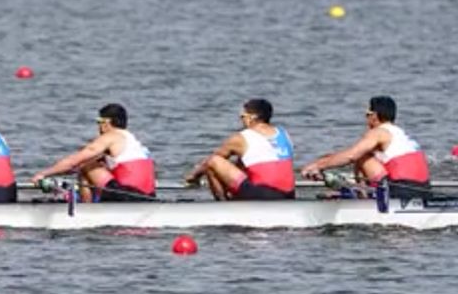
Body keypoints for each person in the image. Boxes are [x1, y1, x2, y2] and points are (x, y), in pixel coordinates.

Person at [300, 96, 431, 199]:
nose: (366, 118)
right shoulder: (400, 134)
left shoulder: (379, 132)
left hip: (402, 190)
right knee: (364, 154)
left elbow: (351, 155)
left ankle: (361, 196)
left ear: (374, 116)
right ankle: (362, 192)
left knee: (361, 155)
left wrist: (317, 165)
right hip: (423, 189)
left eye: (367, 114)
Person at [29, 103, 156, 201]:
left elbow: (74, 162)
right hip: (149, 195)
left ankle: (86, 209)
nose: (98, 127)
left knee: (86, 165)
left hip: (129, 195)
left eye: (99, 122)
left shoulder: (110, 137)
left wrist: (43, 174)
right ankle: (87, 200)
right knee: (94, 164)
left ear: (107, 123)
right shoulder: (131, 140)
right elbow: (72, 168)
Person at [184, 98, 295, 200]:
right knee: (242, 165)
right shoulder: (284, 134)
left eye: (243, 117)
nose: (241, 120)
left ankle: (223, 207)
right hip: (289, 194)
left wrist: (193, 176)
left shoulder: (241, 137)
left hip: (263, 194)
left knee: (213, 162)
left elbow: (210, 161)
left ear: (252, 117)